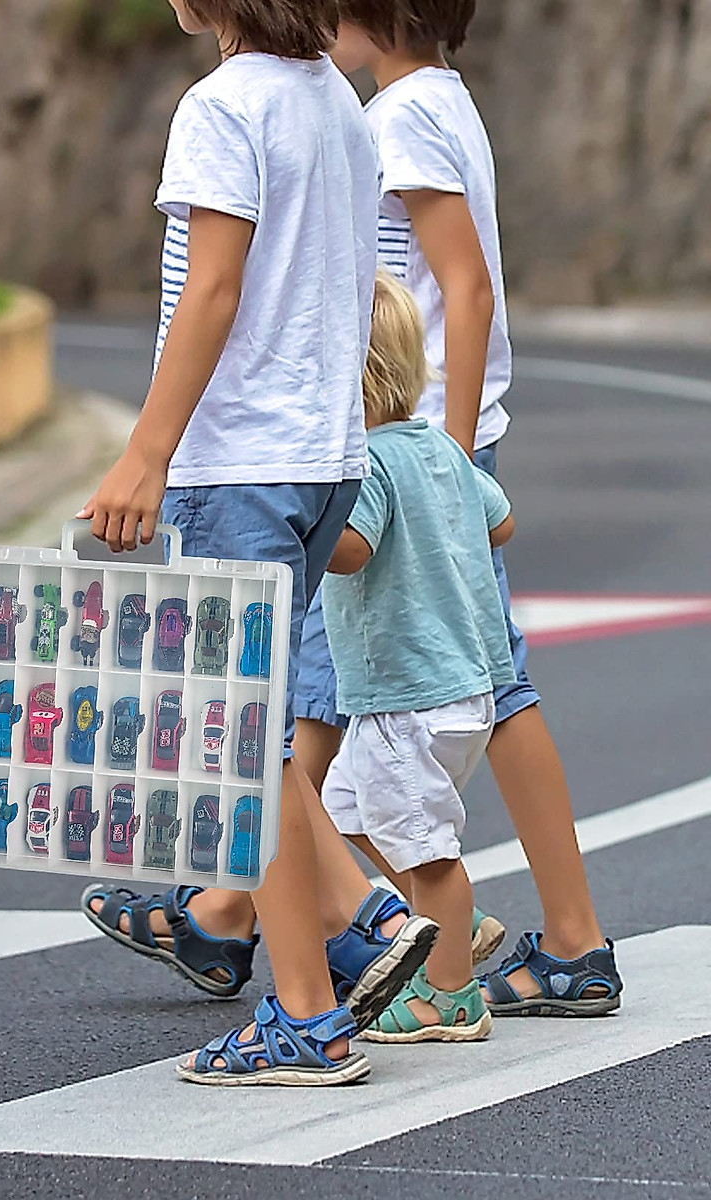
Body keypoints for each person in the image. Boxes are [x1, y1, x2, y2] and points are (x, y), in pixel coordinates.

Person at [77, 0, 438, 1085]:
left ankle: (308, 1014)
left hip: (237, 460)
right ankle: (356, 926)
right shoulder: (337, 101)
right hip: (326, 457)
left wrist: (145, 453)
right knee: (260, 742)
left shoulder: (221, 105)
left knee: (242, 748)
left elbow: (214, 290)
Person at [312, 0, 623, 1016]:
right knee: (462, 678)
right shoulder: (440, 98)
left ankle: (452, 933)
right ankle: (286, 908)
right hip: (429, 437)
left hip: (418, 438)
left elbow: (467, 285)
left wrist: (439, 448)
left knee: (469, 680)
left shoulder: (399, 117)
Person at [320, 270, 514, 1041]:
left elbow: (350, 551)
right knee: (345, 809)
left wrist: (305, 520)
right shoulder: (436, 446)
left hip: (405, 697)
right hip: (458, 690)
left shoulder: (366, 463)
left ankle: (449, 994)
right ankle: (441, 928)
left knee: (428, 852)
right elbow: (500, 523)